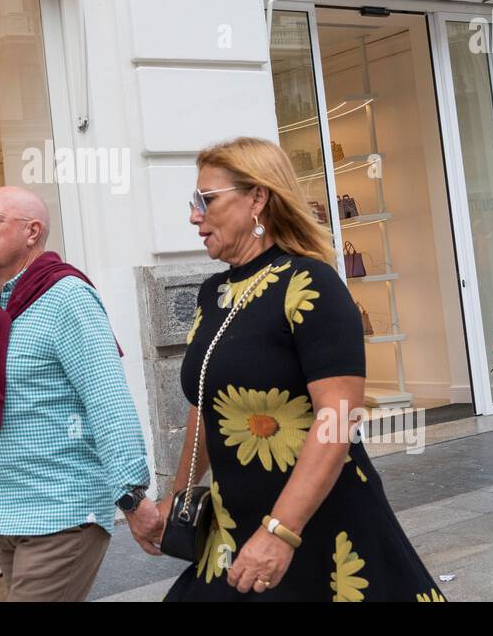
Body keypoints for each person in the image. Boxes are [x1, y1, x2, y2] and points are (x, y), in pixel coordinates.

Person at [162, 137, 443, 601]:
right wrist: (179, 500)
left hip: (314, 524)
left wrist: (280, 531)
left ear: (257, 198)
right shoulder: (212, 293)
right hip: (233, 527)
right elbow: (204, 405)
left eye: (206, 200)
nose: (194, 215)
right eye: (194, 202)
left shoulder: (311, 284)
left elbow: (338, 416)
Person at [0, 186, 158, 602]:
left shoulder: (65, 297)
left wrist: (132, 497)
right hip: (11, 513)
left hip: (63, 511)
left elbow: (107, 400)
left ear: (33, 232)